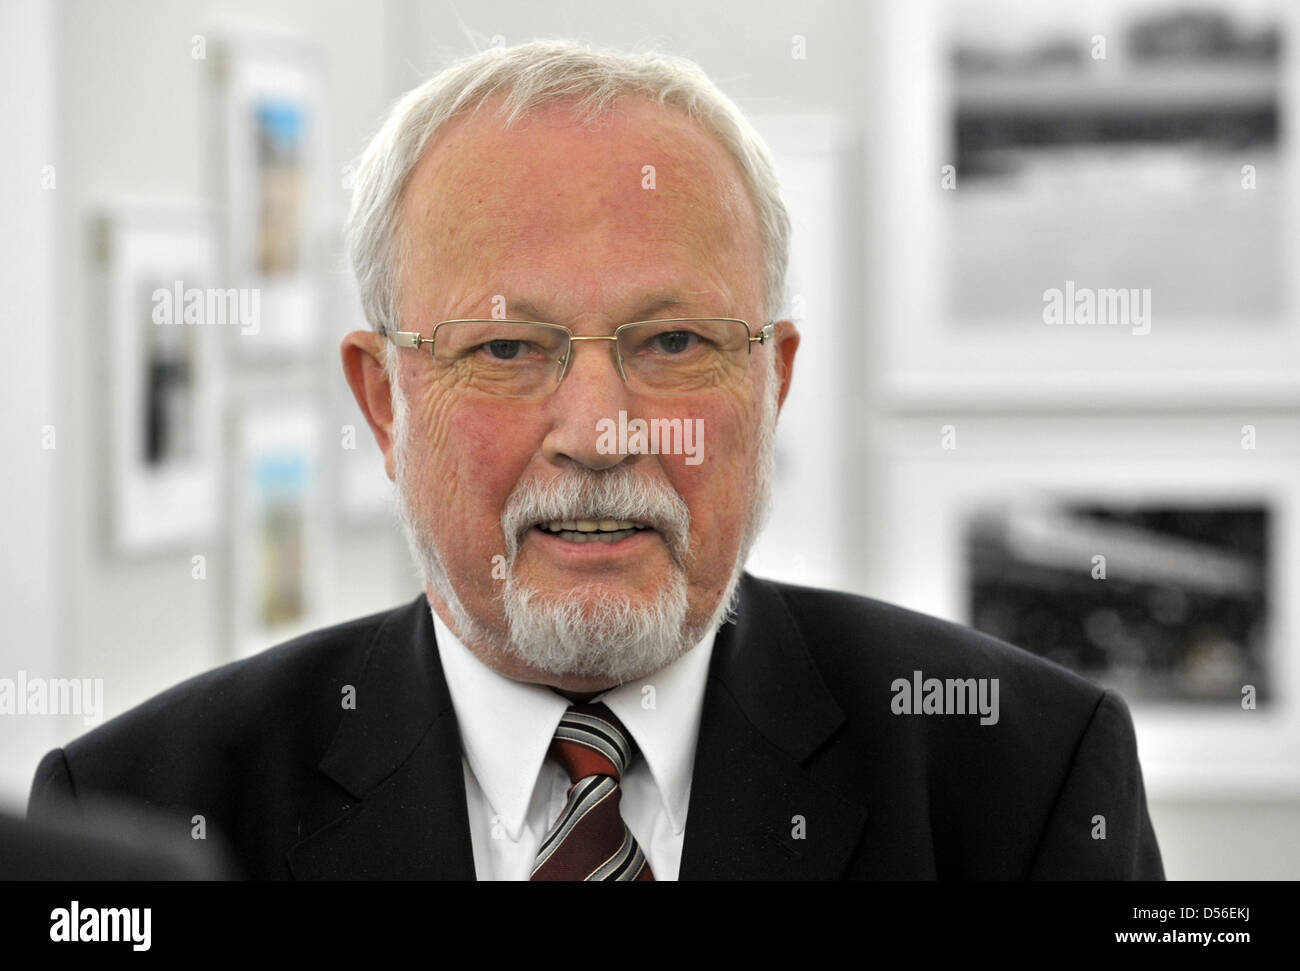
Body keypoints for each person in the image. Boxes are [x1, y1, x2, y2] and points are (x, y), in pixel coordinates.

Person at [28, 39, 1163, 880]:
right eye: (508, 347)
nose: (601, 431)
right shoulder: (142, 812)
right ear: (384, 402)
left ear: (771, 382)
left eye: (673, 342)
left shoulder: (1022, 775)